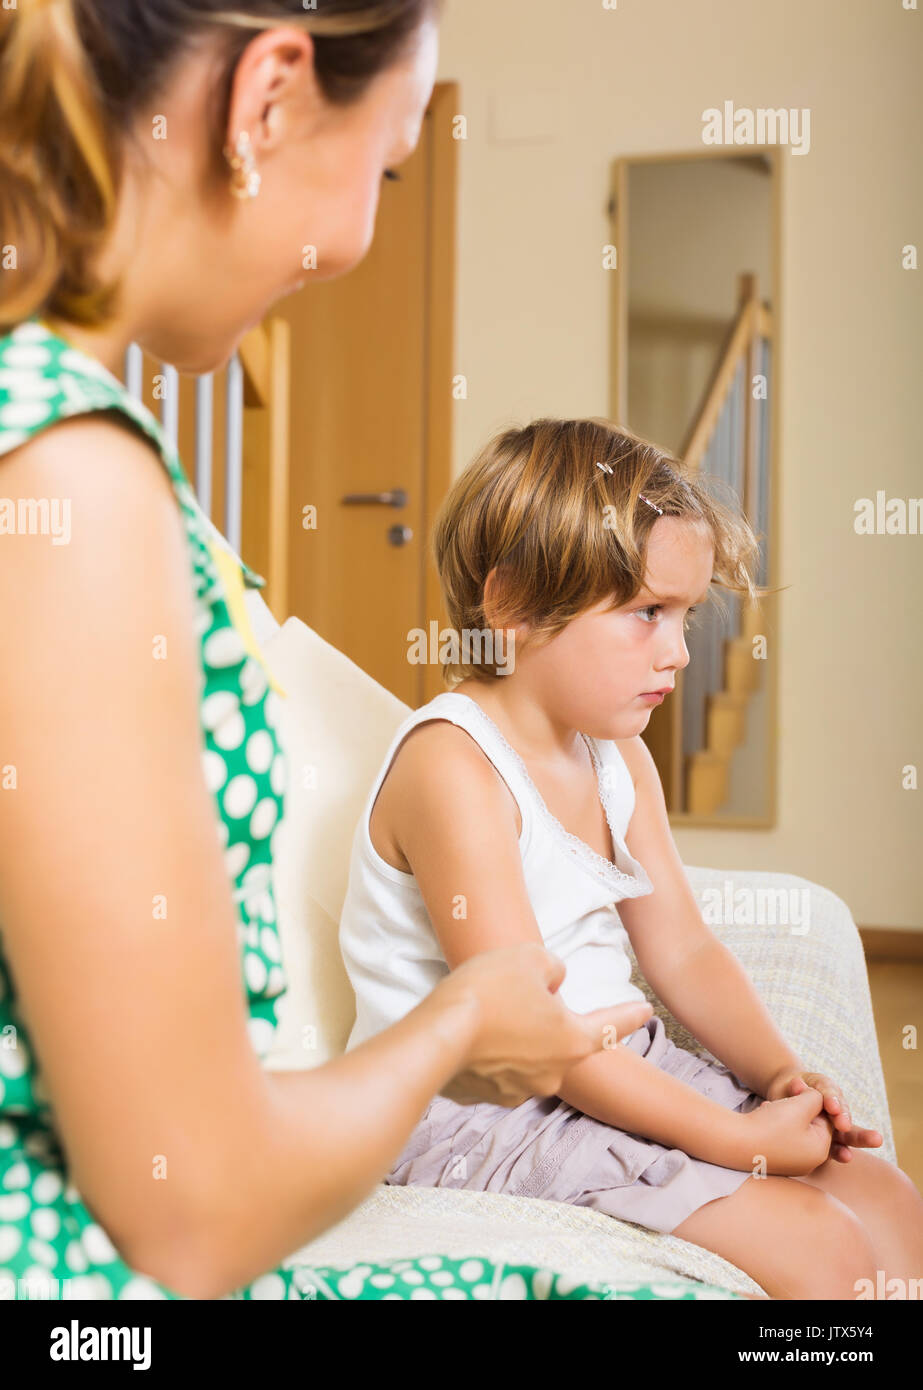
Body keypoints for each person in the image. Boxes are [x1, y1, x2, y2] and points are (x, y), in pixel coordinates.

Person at [0, 1, 671, 1303]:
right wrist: (463, 1020)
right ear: (265, 101)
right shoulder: (71, 480)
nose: (363, 237)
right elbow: (191, 1207)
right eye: (387, 167)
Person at [338, 417, 923, 1301]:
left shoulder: (619, 759)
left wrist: (779, 1078)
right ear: (513, 607)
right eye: (647, 612)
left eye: (684, 616)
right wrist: (735, 1142)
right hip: (482, 1105)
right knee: (821, 1250)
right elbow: (520, 1035)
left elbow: (681, 950)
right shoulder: (451, 766)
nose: (679, 652)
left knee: (887, 1203)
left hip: (618, 1067)